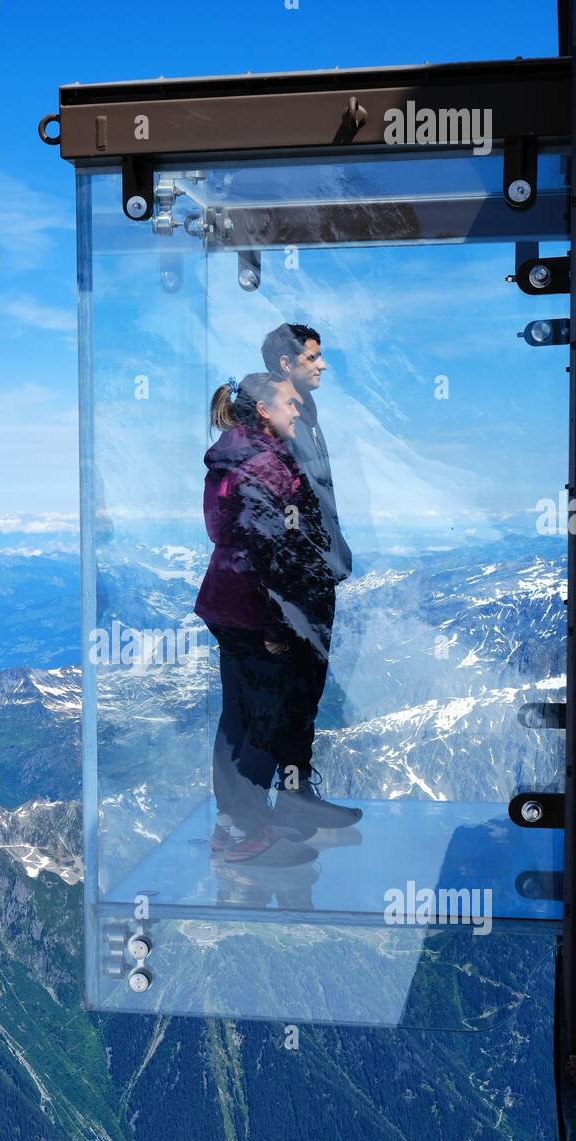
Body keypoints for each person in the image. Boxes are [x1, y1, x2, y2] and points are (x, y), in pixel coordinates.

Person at [194, 372, 358, 865]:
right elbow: (267, 549)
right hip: (254, 608)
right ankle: (250, 831)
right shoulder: (266, 464)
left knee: (237, 718)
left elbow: (228, 533)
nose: (297, 412)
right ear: (264, 410)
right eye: (289, 404)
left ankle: (228, 826)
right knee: (265, 720)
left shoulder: (231, 453)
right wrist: (277, 626)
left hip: (224, 599)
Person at [260, 322, 359, 825]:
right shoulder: (276, 417)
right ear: (286, 363)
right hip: (297, 579)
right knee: (296, 687)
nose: (322, 365)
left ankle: (295, 795)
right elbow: (282, 511)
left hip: (313, 573)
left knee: (307, 685)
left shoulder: (304, 411)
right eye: (312, 358)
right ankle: (288, 802)